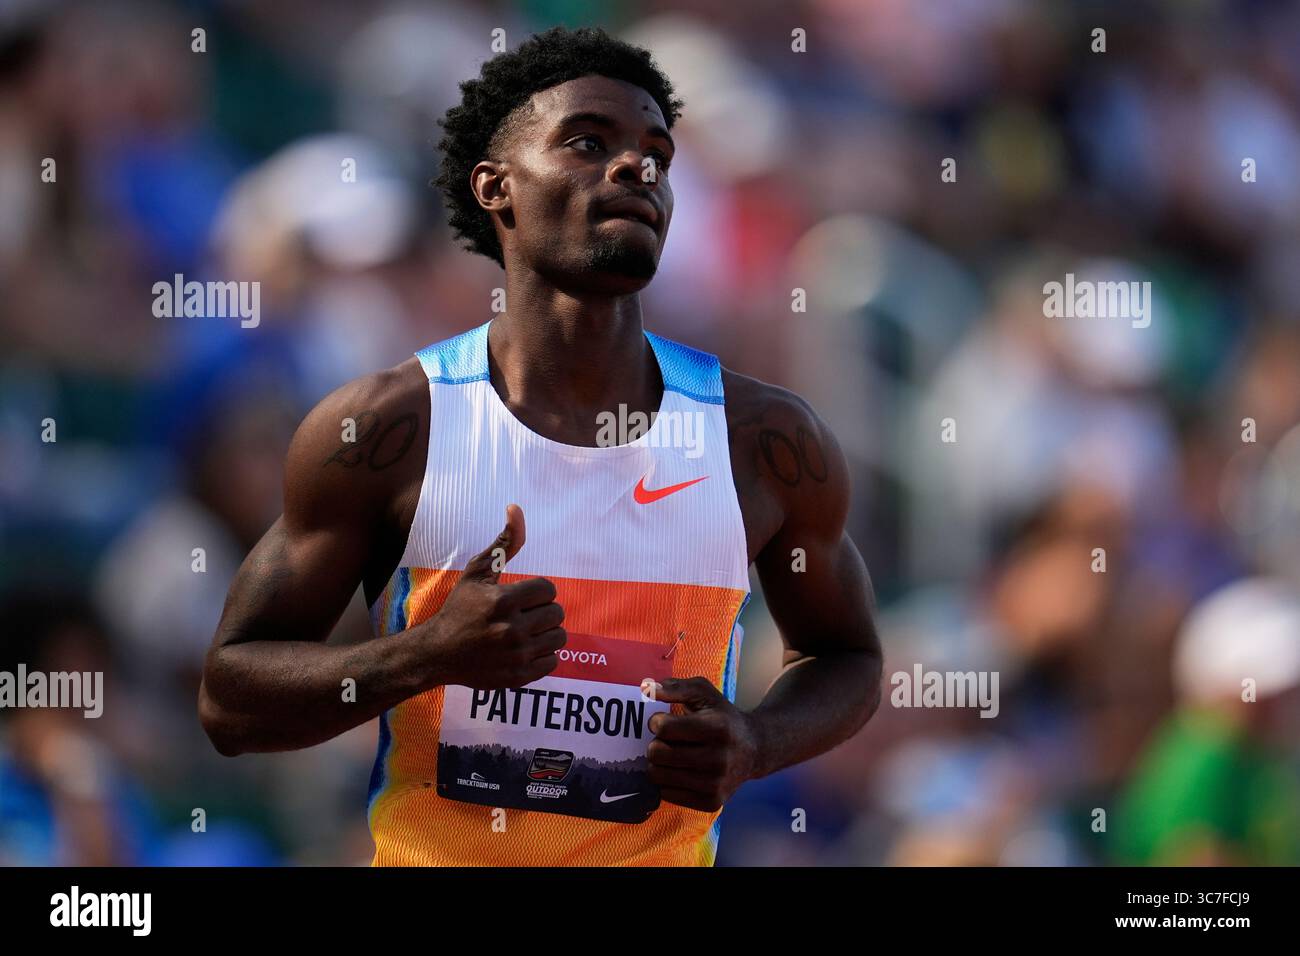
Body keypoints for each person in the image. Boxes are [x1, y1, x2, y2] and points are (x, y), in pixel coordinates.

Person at [198, 26, 882, 866]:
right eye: (589, 142)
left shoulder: (766, 441)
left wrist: (754, 741)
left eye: (655, 153)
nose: (638, 168)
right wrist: (424, 655)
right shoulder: (388, 430)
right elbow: (230, 703)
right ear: (497, 188)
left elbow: (848, 656)